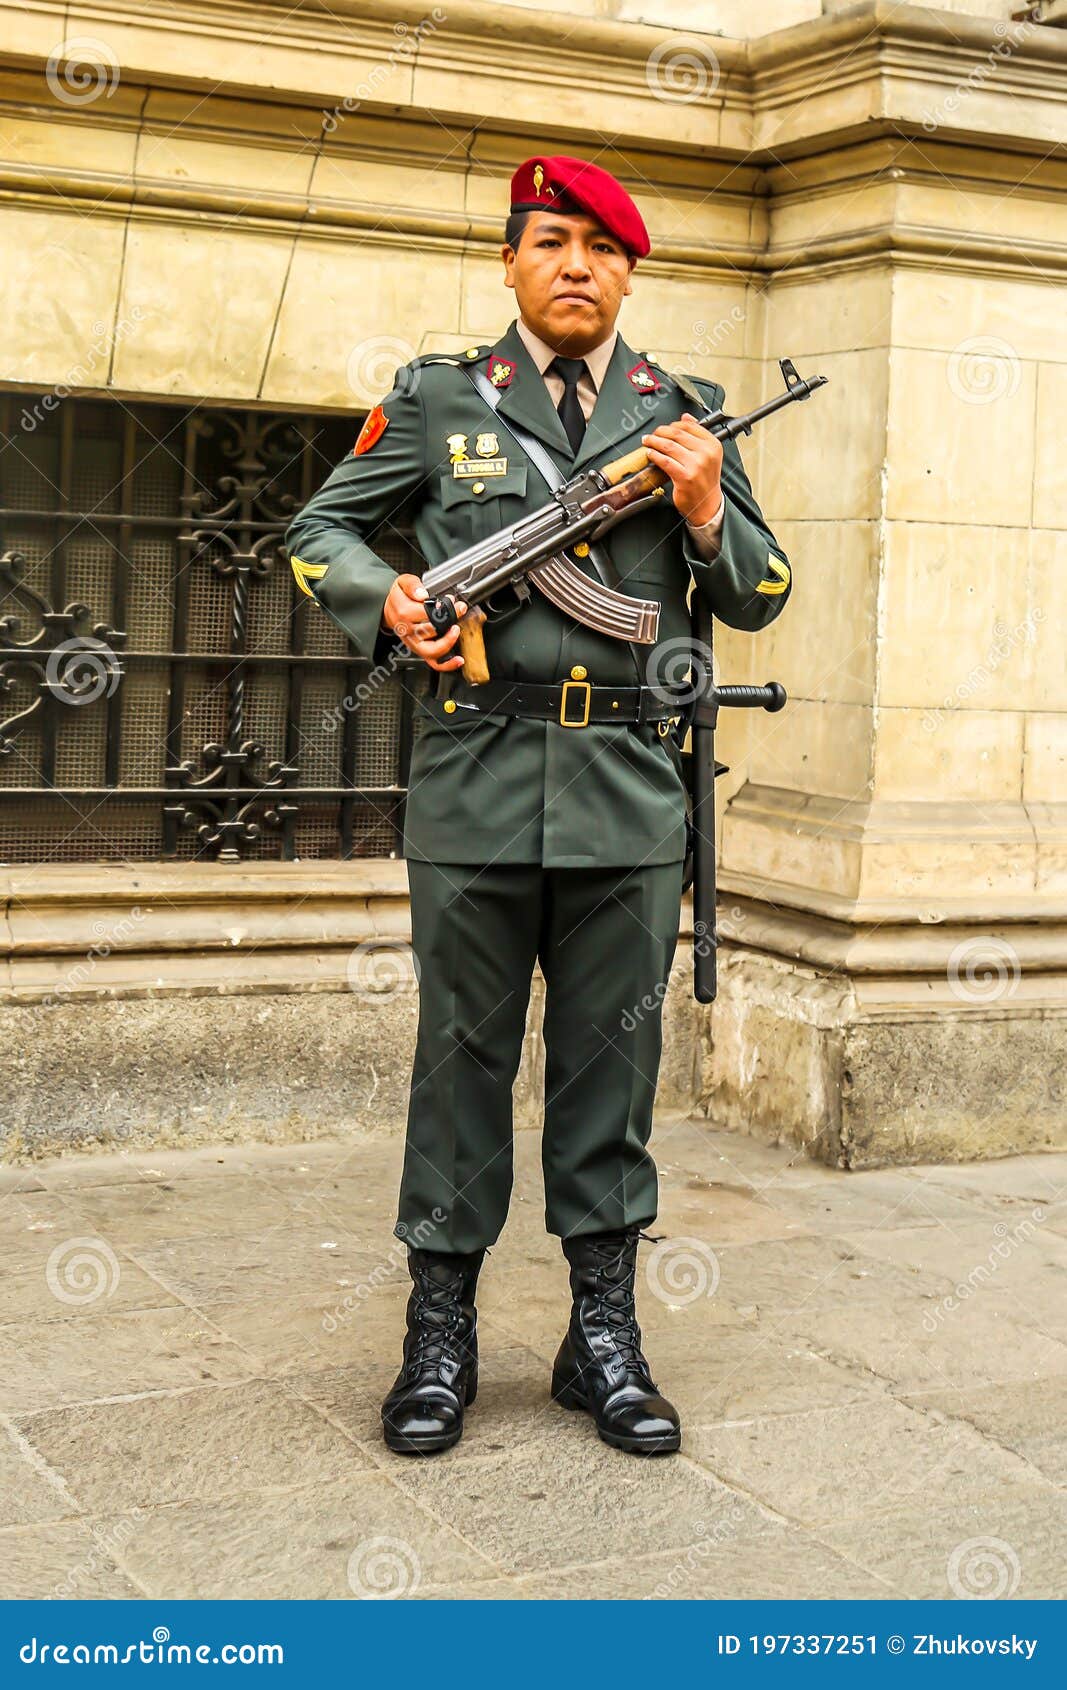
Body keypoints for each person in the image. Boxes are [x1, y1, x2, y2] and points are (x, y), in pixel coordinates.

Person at [284, 155, 791, 1459]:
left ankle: (601, 1334)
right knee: (460, 1066)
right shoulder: (439, 397)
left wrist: (699, 510)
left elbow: (764, 589)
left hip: (630, 802)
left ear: (629, 273)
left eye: (602, 248)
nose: (577, 265)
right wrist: (391, 602)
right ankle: (439, 1331)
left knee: (611, 1071)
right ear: (512, 261)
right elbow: (318, 533)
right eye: (551, 240)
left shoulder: (685, 412)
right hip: (475, 789)